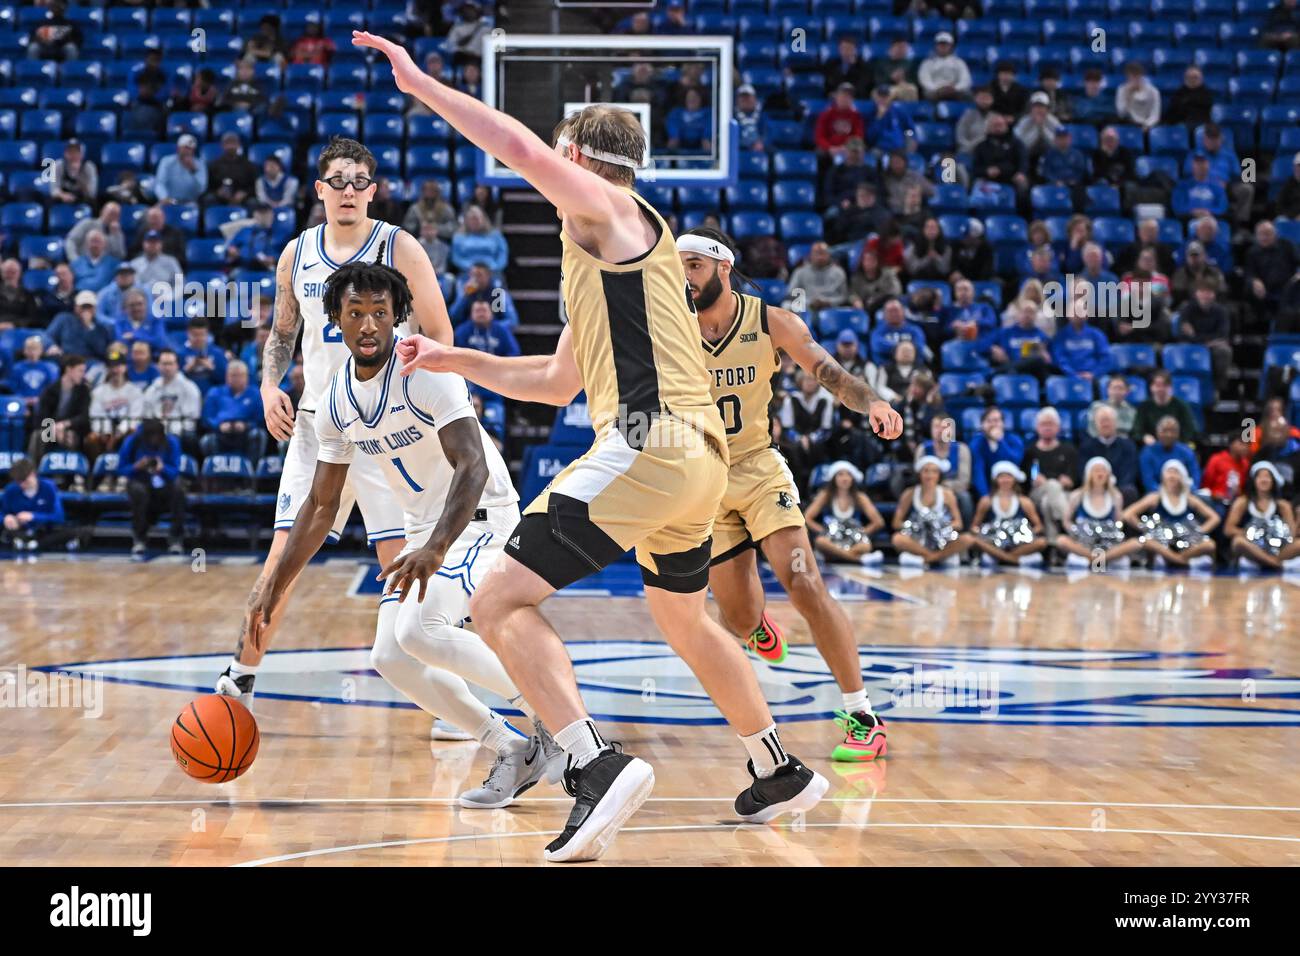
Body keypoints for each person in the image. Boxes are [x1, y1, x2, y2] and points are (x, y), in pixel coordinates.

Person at [360, 30, 829, 862]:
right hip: (699, 466)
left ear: (574, 153)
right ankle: (777, 765)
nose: (539, 166)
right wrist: (448, 356)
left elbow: (509, 142)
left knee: (496, 598)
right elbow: (552, 381)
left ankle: (592, 764)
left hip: (651, 443)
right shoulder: (614, 257)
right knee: (683, 618)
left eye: (555, 154)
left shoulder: (604, 209)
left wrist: (420, 82)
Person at [248, 256, 564, 808]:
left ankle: (557, 722)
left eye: (380, 312)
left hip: (478, 520)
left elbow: (474, 466)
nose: (368, 324)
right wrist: (272, 586)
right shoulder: (335, 401)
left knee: (420, 630)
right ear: (335, 320)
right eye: (355, 313)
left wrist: (436, 548)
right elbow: (321, 506)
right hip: (427, 531)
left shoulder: (425, 371)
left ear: (398, 318)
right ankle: (510, 747)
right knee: (389, 657)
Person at [212, 137, 454, 734]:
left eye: (360, 181)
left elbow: (441, 335)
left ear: (373, 191)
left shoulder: (400, 246)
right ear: (319, 190)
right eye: (338, 181)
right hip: (319, 425)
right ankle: (241, 676)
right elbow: (280, 334)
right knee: (283, 556)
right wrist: (270, 387)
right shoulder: (296, 253)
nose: (349, 190)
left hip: (387, 425)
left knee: (401, 566)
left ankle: (449, 695)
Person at [680, 228, 900, 760]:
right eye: (678, 267)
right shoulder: (673, 328)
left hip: (758, 469)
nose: (684, 278)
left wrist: (870, 402)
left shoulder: (772, 321)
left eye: (694, 267)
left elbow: (829, 372)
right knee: (736, 618)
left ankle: (862, 714)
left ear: (722, 268)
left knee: (803, 580)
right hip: (703, 480)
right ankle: (757, 627)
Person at [1123, 459, 1219, 569]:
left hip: (1186, 542)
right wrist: (1146, 528)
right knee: (1148, 542)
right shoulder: (1155, 497)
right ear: (1163, 476)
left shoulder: (1188, 498)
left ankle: (1173, 560)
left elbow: (1214, 518)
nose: (1172, 476)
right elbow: (1128, 514)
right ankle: (1182, 561)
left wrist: (1198, 531)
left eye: (1175, 472)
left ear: (1182, 477)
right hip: (1163, 542)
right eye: (1169, 472)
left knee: (1210, 545)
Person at [1054, 457, 1142, 570]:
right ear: (1088, 473)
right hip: (1084, 544)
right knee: (1061, 540)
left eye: (1103, 471)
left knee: (1136, 543)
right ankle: (1096, 558)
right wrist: (1075, 531)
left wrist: (1111, 534)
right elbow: (1066, 520)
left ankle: (1098, 558)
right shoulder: (1077, 495)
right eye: (1096, 470)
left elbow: (1118, 522)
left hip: (1108, 544)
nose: (1100, 474)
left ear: (1108, 475)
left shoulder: (1116, 496)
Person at [118, 418, 186, 558]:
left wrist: (162, 468)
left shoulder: (172, 442)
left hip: (165, 482)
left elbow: (175, 471)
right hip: (140, 480)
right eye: (151, 436)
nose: (154, 439)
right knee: (138, 491)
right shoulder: (132, 441)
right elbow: (121, 468)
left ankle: (176, 538)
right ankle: (140, 538)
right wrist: (136, 466)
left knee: (179, 488)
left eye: (157, 436)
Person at [965, 461, 1047, 567]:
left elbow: (1039, 526)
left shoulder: (1024, 501)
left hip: (1018, 544)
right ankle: (1013, 559)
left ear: (1015, 479)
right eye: (1001, 477)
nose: (1005, 480)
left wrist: (1025, 535)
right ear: (996, 479)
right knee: (974, 541)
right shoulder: (986, 501)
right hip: (994, 543)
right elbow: (974, 526)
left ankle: (1002, 558)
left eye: (1009, 477)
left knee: (1042, 542)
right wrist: (986, 534)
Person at [891, 455, 968, 567]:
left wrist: (939, 526)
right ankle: (936, 557)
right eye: (926, 471)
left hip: (941, 539)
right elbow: (896, 522)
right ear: (919, 474)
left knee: (967, 539)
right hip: (918, 539)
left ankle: (925, 559)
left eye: (934, 472)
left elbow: (958, 523)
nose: (930, 475)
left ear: (939, 475)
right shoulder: (910, 493)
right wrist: (916, 526)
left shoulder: (947, 494)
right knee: (897, 539)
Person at [805, 462, 887, 565]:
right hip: (832, 538)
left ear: (853, 478)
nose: (845, 478)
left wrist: (861, 532)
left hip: (852, 539)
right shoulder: (825, 495)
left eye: (848, 474)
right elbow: (807, 517)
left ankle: (836, 556)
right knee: (821, 542)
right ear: (834, 478)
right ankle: (858, 559)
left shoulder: (860, 497)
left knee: (866, 546)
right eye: (840, 474)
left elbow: (879, 522)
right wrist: (823, 530)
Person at [1224, 462, 1300, 571]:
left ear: (1273, 481)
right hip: (1253, 548)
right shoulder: (1243, 502)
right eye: (1260, 476)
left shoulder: (1283, 505)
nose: (1264, 480)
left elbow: (1291, 534)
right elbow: (1228, 529)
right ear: (1253, 480)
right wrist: (1254, 534)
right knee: (1238, 542)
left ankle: (1270, 562)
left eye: (1267, 476)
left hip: (1278, 548)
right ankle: (1276, 564)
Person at [1022, 407, 1078, 539]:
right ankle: (1068, 526)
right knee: (1052, 485)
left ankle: (1053, 545)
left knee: (1048, 502)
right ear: (1037, 427)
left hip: (1064, 494)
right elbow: (1026, 480)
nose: (1047, 427)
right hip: (1037, 493)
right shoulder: (1030, 452)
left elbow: (1073, 479)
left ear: (1058, 427)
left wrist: (1068, 481)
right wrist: (1036, 481)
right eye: (1043, 424)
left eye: (1051, 424)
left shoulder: (1069, 450)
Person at [28, 354, 91, 464]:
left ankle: (73, 475)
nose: (83, 375)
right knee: (38, 437)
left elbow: (84, 416)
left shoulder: (83, 391)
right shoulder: (51, 389)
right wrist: (53, 428)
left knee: (70, 438)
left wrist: (64, 425)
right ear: (69, 369)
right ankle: (35, 471)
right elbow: (42, 415)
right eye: (80, 371)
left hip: (72, 429)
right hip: (50, 427)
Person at [2, 457, 67, 554]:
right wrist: (6, 518)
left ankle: (34, 543)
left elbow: (59, 517)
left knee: (67, 532)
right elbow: (3, 512)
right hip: (19, 531)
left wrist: (33, 516)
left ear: (33, 474)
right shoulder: (11, 490)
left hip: (44, 531)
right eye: (18, 481)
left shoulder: (48, 487)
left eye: (25, 480)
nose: (22, 485)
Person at [1079, 404, 1140, 503]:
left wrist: (1113, 488)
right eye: (1102, 421)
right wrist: (1100, 486)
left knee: (1130, 491)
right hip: (1095, 489)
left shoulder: (1128, 446)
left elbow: (1130, 472)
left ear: (1116, 423)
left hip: (1121, 488)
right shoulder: (1086, 447)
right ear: (1096, 424)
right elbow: (1084, 472)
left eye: (1108, 420)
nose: (1105, 424)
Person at [142, 348, 202, 443]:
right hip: (156, 431)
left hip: (181, 432)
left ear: (177, 365)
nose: (167, 368)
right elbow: (147, 415)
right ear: (158, 366)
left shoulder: (189, 388)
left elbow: (192, 418)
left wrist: (173, 431)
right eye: (164, 364)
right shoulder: (152, 389)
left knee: (189, 437)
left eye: (170, 364)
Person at [970, 406, 1025, 499]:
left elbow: (1014, 463)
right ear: (982, 425)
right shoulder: (976, 444)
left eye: (996, 420)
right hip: (987, 487)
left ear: (1003, 423)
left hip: (1011, 486)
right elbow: (978, 472)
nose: (992, 425)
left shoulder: (1015, 440)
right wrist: (985, 496)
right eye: (988, 421)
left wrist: (1000, 441)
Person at [1133, 370, 1199, 446]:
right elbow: (1136, 431)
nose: (1161, 389)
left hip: (1176, 446)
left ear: (1170, 388)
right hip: (1152, 446)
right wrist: (1144, 437)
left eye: (1164, 385)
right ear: (1151, 387)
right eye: (1157, 385)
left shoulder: (1181, 405)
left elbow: (1190, 430)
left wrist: (1176, 442)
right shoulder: (1144, 406)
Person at [47, 292, 113, 362]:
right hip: (66, 359)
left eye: (89, 307)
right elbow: (48, 336)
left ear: (94, 309)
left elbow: (101, 351)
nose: (86, 310)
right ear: (76, 307)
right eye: (83, 306)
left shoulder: (100, 328)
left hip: (89, 362)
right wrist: (51, 345)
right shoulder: (64, 319)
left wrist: (89, 326)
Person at [153, 134, 208, 205]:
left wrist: (193, 171)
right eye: (186, 148)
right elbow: (159, 183)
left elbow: (201, 189)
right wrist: (164, 197)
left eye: (191, 149)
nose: (188, 151)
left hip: (190, 202)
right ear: (178, 148)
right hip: (168, 200)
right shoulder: (166, 161)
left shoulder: (200, 164)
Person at [453, 300, 520, 358]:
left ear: (491, 313)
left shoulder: (502, 330)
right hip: (469, 368)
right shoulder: (461, 331)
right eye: (478, 311)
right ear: (471, 314)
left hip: (497, 367)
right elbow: (457, 354)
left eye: (484, 311)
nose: (481, 314)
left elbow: (514, 352)